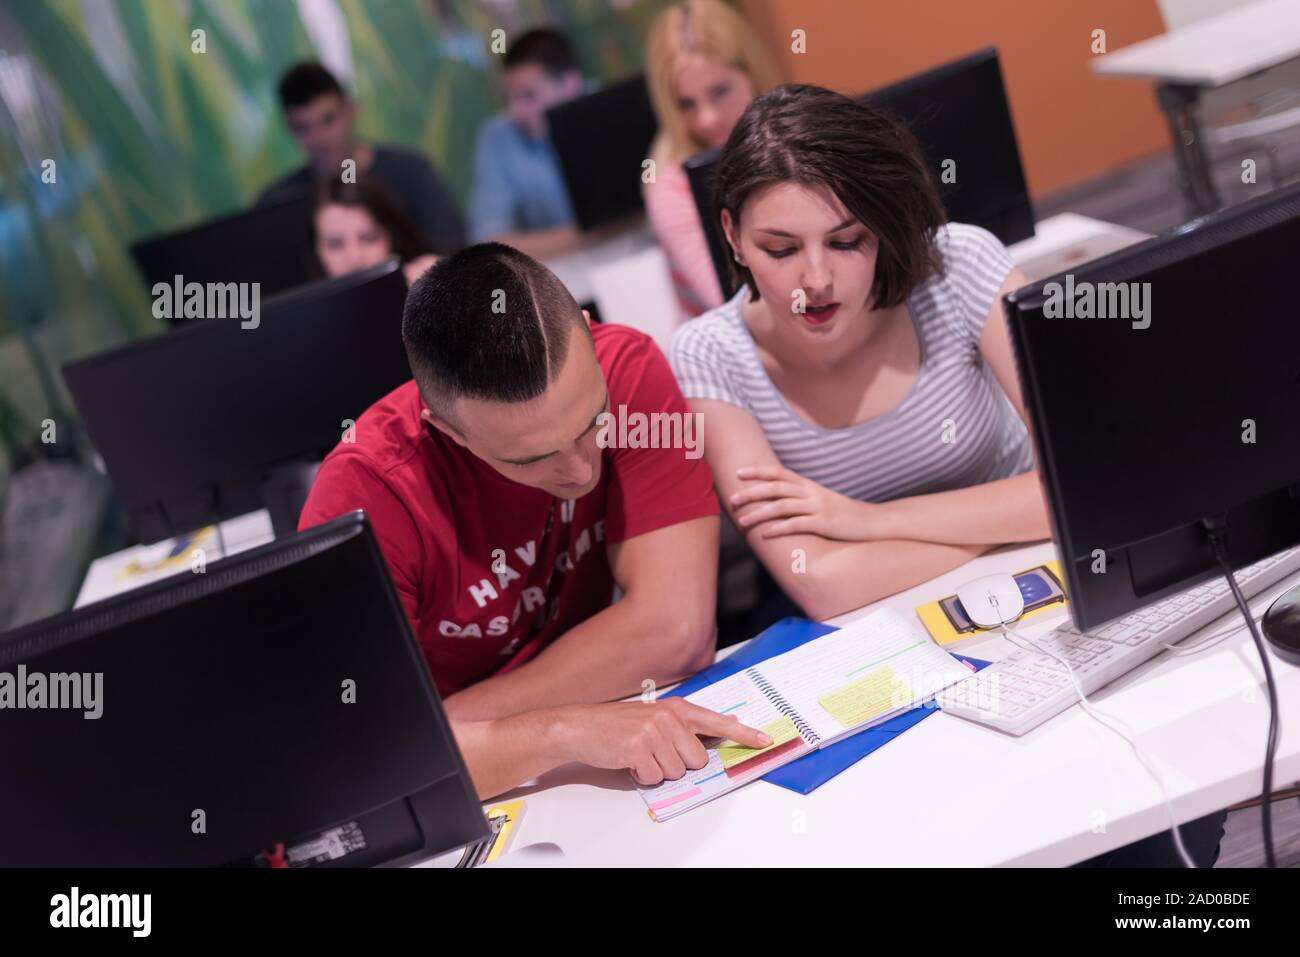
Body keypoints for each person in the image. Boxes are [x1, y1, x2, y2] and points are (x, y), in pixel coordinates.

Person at [298, 242, 768, 798]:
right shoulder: (363, 492)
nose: (579, 471)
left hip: (554, 758)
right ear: (446, 432)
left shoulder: (628, 366)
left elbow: (676, 636)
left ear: (590, 333)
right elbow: (374, 758)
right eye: (530, 457)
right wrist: (560, 729)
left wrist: (451, 728)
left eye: (593, 421)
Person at [669, 84, 1049, 621]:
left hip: (1042, 572)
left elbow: (1082, 479)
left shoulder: (958, 263)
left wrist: (867, 522)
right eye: (780, 250)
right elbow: (822, 586)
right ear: (731, 235)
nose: (816, 280)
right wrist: (1010, 519)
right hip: (892, 626)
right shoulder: (710, 355)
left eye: (847, 241)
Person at [643, 0, 781, 317]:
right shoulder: (672, 189)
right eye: (686, 104)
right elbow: (738, 306)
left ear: (753, 73)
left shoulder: (797, 133)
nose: (706, 119)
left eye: (719, 91)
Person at [261, 61, 465, 254]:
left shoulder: (411, 172)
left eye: (328, 120)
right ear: (289, 129)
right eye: (303, 128)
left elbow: (452, 252)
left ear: (351, 111)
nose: (319, 138)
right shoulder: (278, 202)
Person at [468, 28, 587, 258]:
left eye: (529, 96)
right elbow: (486, 243)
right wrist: (589, 233)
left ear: (570, 84)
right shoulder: (496, 138)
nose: (516, 111)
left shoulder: (613, 109)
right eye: (508, 98)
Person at [308, 178, 438, 286]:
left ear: (393, 238)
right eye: (335, 244)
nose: (355, 259)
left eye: (369, 239)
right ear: (316, 251)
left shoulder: (429, 287)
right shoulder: (301, 316)